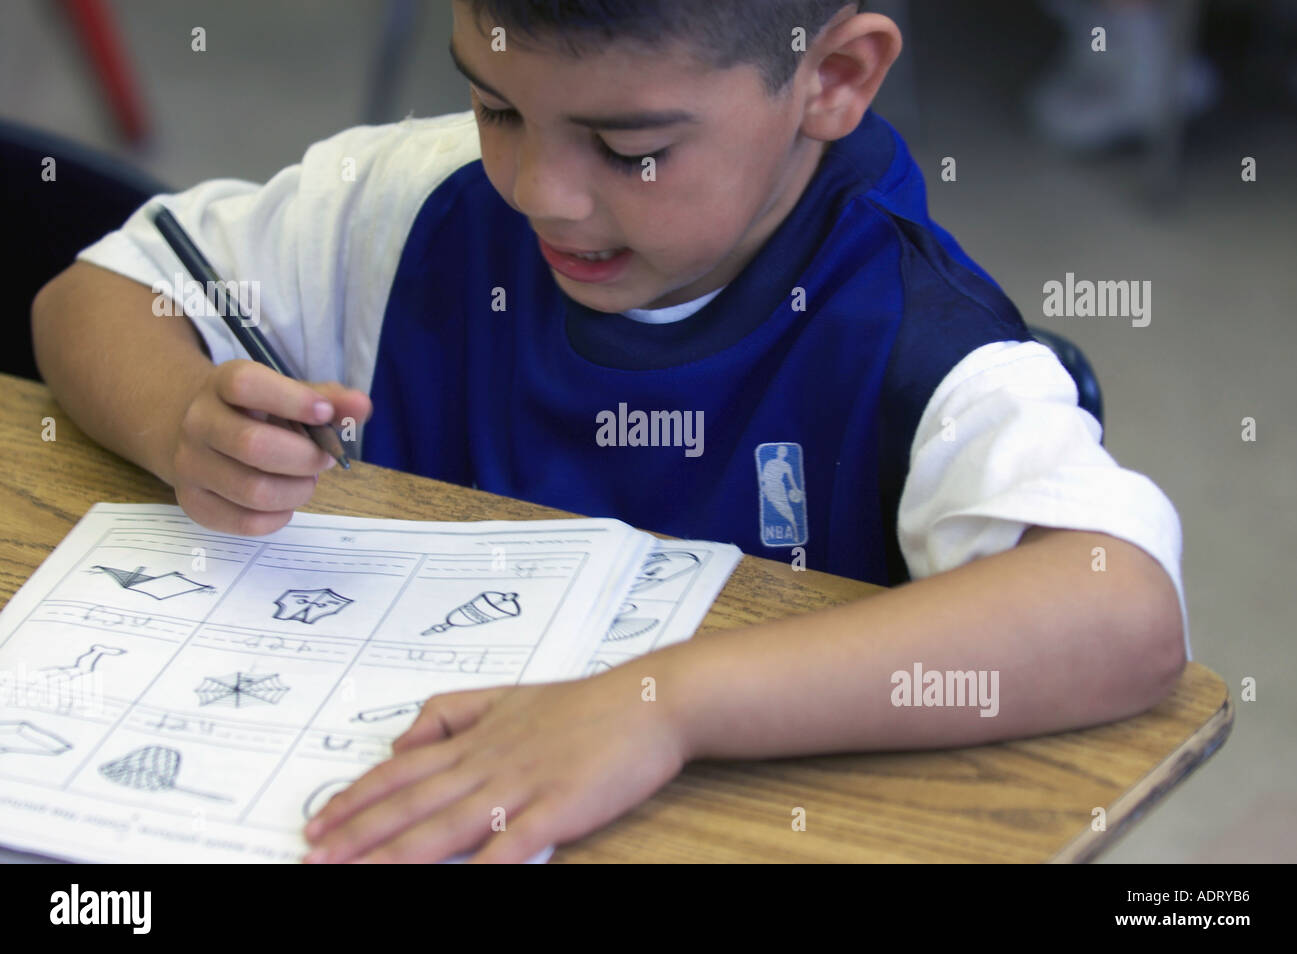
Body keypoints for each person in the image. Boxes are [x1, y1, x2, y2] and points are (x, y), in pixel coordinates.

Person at [31, 1, 1188, 863]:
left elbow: (1120, 611)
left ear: (833, 78)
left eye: (630, 148)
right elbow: (99, 290)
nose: (541, 190)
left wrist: (662, 704)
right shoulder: (420, 201)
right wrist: (182, 417)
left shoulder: (914, 339)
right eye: (495, 106)